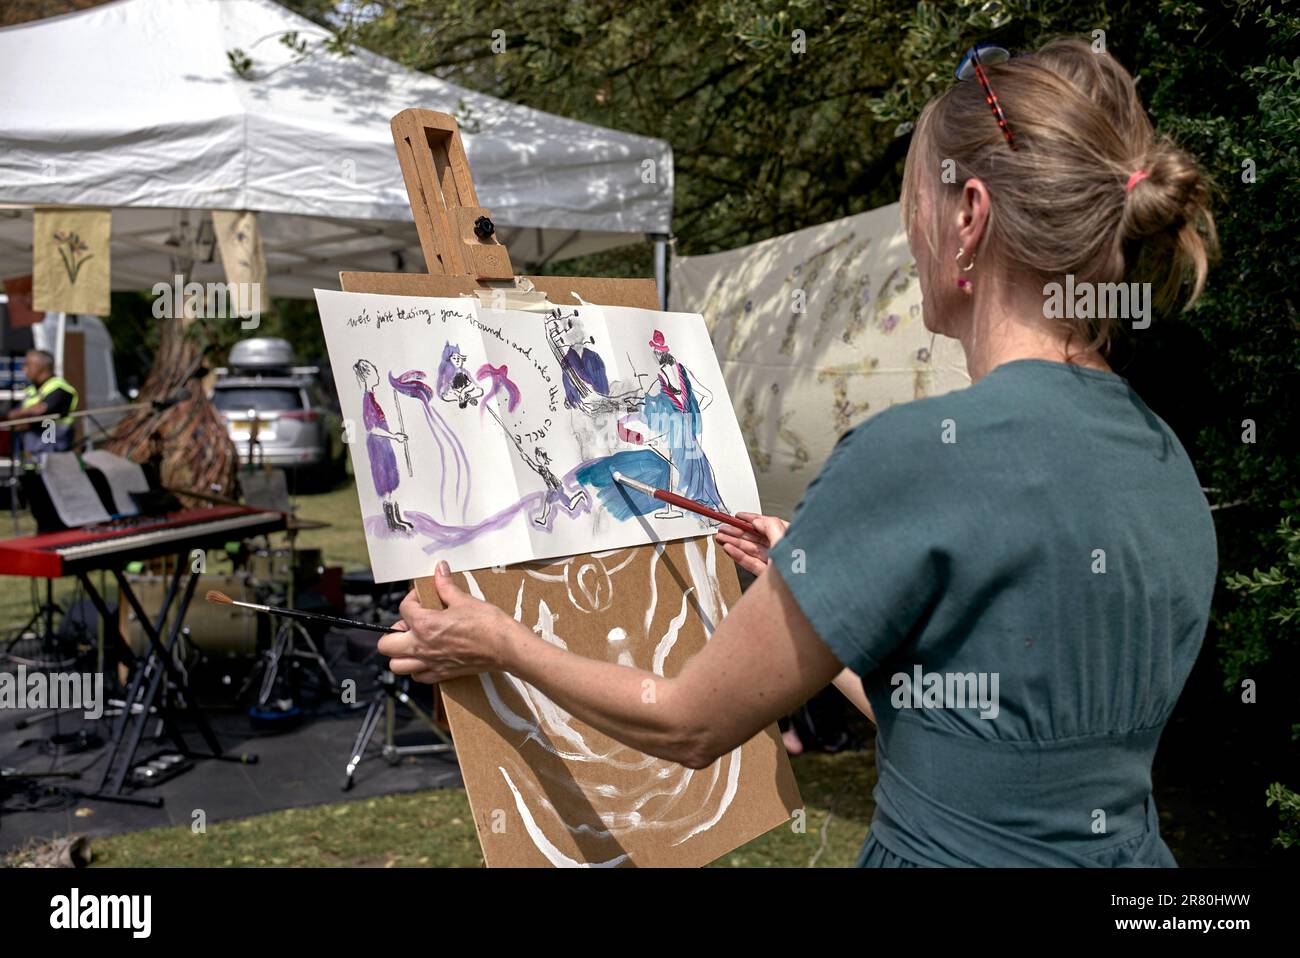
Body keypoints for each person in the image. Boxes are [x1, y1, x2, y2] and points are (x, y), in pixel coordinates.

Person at [376, 37, 1218, 867]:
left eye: (914, 209)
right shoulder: (1161, 457)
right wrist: (833, 604)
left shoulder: (921, 453)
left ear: (970, 219)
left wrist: (499, 644)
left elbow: (688, 723)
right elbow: (972, 736)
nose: (912, 240)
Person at [4, 349, 79, 464]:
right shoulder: (31, 389)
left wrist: (23, 415)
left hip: (53, 451)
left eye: (27, 365)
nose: (23, 369)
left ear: (41, 367)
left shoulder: (60, 388)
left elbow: (43, 413)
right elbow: (9, 414)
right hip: (30, 452)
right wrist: (29, 410)